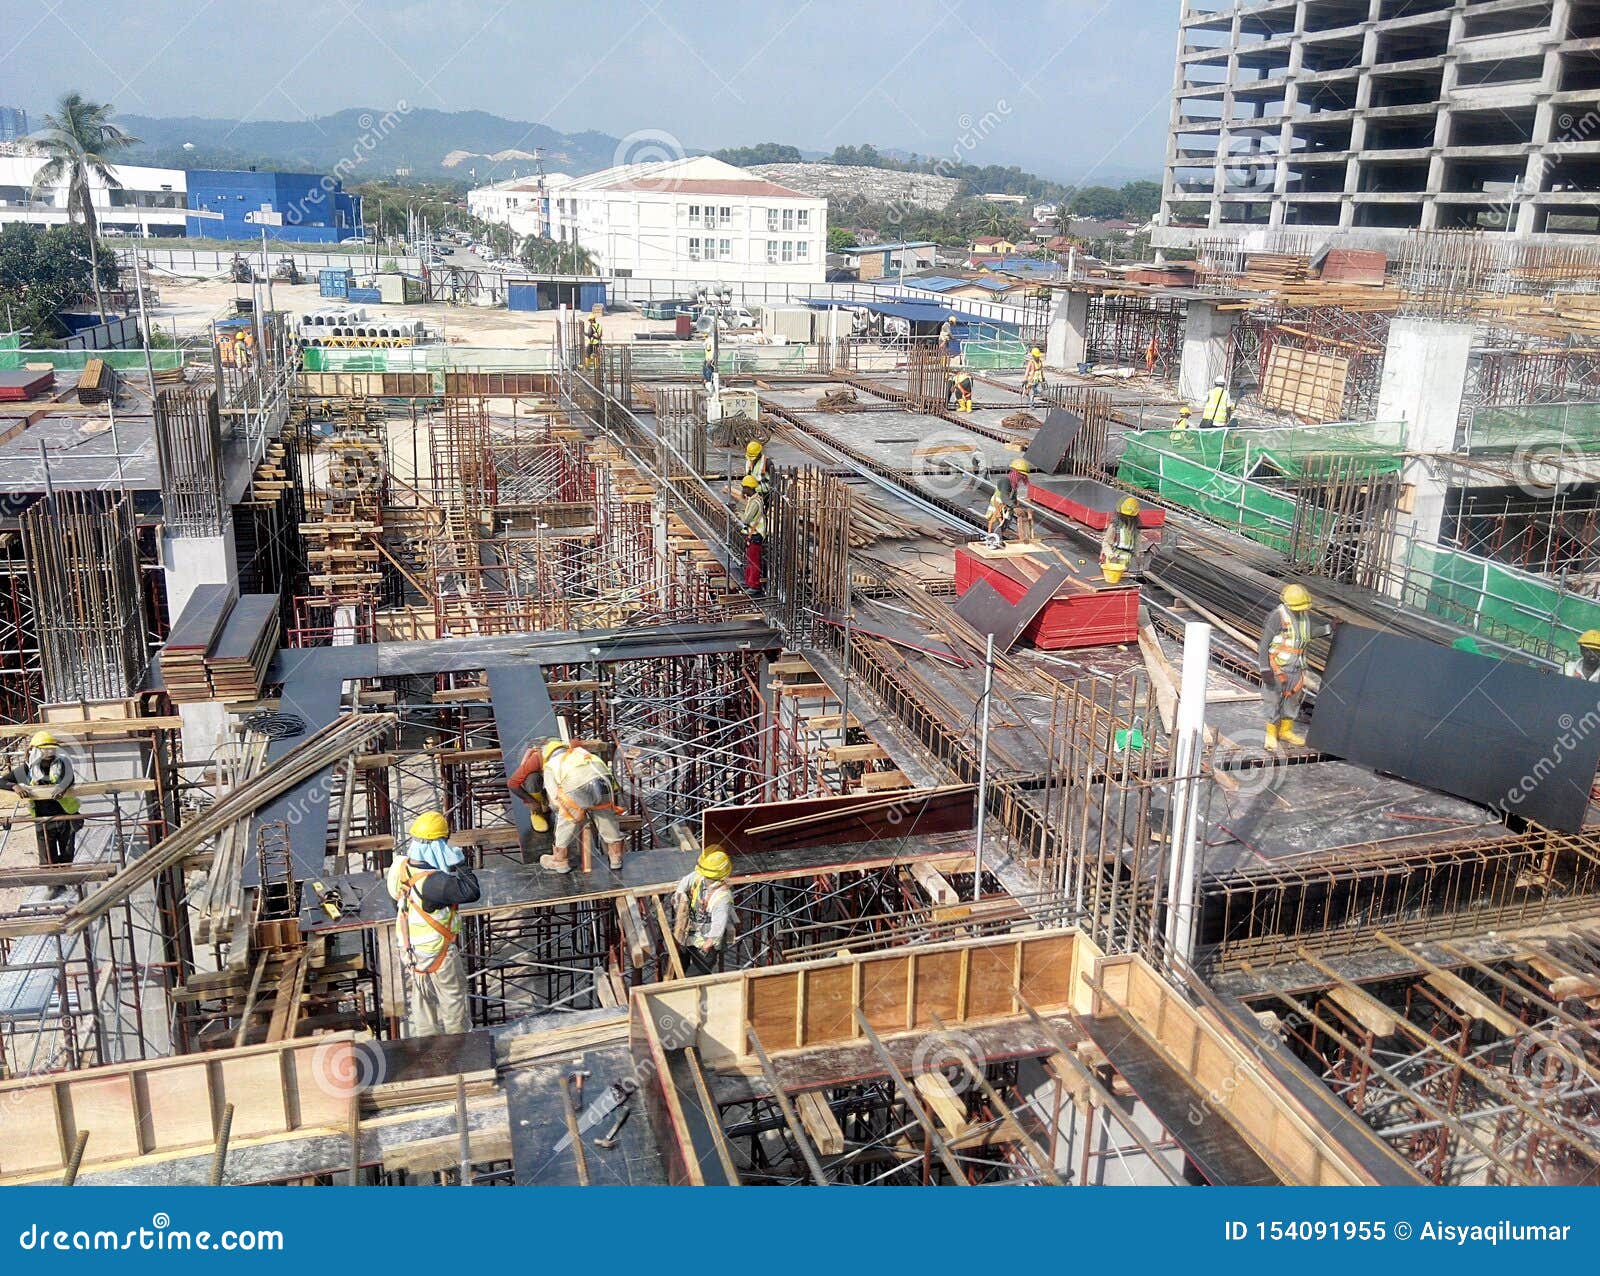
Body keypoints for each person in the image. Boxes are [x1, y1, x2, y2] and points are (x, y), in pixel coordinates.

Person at [385, 812, 481, 1037]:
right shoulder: (436, 882)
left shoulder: (399, 867)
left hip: (411, 951)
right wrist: (460, 863)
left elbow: (396, 902)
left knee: (422, 1002)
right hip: (438, 951)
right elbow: (472, 891)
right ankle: (460, 1045)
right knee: (453, 999)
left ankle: (428, 1048)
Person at [510, 739, 627, 873]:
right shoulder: (580, 752)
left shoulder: (550, 764)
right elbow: (613, 787)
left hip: (576, 783)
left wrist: (541, 805)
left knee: (567, 816)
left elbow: (556, 802)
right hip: (602, 778)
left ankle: (560, 860)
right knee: (605, 815)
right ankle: (616, 858)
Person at [1258, 584, 1332, 750]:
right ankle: (1270, 734)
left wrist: (1329, 628)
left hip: (1297, 668)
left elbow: (1306, 634)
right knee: (1273, 700)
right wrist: (1265, 669)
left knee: (1292, 701)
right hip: (1278, 668)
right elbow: (1263, 645)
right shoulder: (1277, 616)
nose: (1300, 610)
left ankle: (1285, 731)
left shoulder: (1303, 615)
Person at [11, 731, 79, 866]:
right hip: (43, 820)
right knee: (48, 860)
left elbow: (70, 777)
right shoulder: (27, 769)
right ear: (34, 750)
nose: (50, 752)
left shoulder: (62, 763)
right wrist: (15, 786)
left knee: (67, 857)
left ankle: (66, 882)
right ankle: (55, 887)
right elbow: (3, 781)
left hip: (65, 816)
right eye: (45, 749)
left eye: (52, 749)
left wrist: (62, 787)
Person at [672, 847, 736, 975]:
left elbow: (718, 926)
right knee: (677, 969)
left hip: (705, 943)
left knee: (693, 978)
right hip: (689, 935)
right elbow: (684, 883)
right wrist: (680, 897)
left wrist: (707, 945)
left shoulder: (722, 898)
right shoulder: (699, 877)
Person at [1100, 496, 1145, 580]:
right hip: (1113, 561)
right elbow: (1106, 542)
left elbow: (1137, 545)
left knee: (1123, 580)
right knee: (1112, 581)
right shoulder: (1115, 525)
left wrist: (1140, 561)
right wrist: (1110, 554)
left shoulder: (1134, 528)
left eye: (1130, 517)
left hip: (1126, 562)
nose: (1128, 518)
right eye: (1126, 516)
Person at [986, 458, 1031, 542]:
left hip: (1005, 511)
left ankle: (997, 542)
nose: (1022, 477)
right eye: (1021, 475)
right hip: (997, 511)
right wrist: (1014, 507)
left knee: (1002, 528)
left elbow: (1012, 499)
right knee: (996, 529)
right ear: (1016, 473)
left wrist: (1019, 509)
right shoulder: (1005, 481)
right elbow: (1004, 497)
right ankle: (993, 543)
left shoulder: (1014, 485)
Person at [738, 474, 766, 591]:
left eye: (744, 487)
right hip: (752, 534)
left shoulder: (755, 502)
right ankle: (749, 582)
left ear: (749, 488)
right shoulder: (754, 499)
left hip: (755, 535)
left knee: (754, 561)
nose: (742, 490)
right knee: (750, 560)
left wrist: (738, 514)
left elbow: (746, 520)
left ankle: (754, 585)